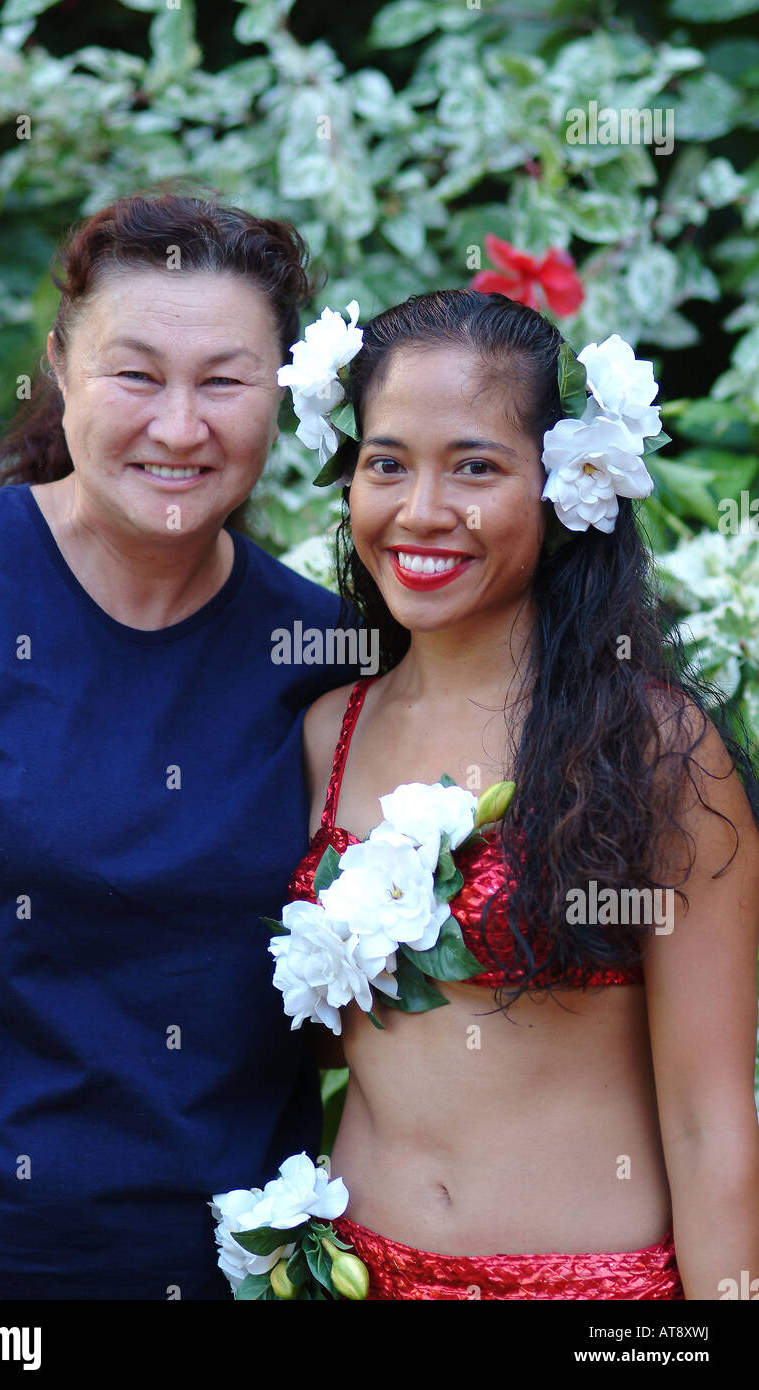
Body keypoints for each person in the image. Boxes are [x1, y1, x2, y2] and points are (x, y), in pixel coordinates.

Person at [0, 190, 358, 1300]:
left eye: (225, 381)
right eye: (136, 374)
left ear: (283, 392)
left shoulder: (327, 650)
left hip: (229, 1271)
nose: (180, 426)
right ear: (58, 367)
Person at [284, 289, 759, 1300]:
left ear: (560, 487)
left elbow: (708, 1122)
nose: (419, 510)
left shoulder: (652, 746)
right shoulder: (329, 732)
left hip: (591, 1296)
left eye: (474, 466)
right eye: (385, 462)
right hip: (355, 1274)